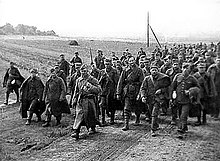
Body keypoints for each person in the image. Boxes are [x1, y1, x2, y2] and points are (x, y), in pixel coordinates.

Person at [71, 64, 102, 140]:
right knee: (79, 115)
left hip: (90, 101)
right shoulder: (78, 80)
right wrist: (74, 99)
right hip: (81, 101)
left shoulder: (93, 80)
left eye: (85, 71)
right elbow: (76, 91)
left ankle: (92, 127)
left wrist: (90, 87)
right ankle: (76, 131)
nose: (83, 73)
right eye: (82, 71)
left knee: (90, 115)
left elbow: (99, 90)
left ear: (88, 71)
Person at [140, 64, 171, 136]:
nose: (154, 71)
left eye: (155, 70)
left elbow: (167, 87)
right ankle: (156, 125)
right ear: (150, 71)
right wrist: (143, 96)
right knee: (151, 113)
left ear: (158, 71)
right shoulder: (147, 79)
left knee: (154, 114)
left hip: (157, 99)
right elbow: (143, 88)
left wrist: (161, 90)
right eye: (152, 70)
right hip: (149, 99)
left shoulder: (162, 79)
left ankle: (153, 129)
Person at [116, 56, 144, 131]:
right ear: (128, 62)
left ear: (135, 61)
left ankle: (137, 118)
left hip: (136, 90)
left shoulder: (139, 70)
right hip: (127, 91)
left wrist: (141, 93)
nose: (132, 62)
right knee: (126, 107)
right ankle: (126, 124)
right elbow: (120, 82)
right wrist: (118, 93)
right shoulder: (125, 70)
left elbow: (142, 83)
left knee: (137, 106)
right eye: (130, 61)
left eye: (133, 60)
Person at [171, 63, 199, 135]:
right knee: (180, 114)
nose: (185, 70)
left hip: (187, 100)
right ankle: (185, 127)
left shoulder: (192, 78)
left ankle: (181, 129)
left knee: (184, 115)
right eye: (184, 68)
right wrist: (172, 97)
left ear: (190, 69)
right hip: (178, 99)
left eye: (187, 68)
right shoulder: (177, 76)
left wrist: (190, 91)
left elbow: (198, 88)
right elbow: (173, 87)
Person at [98, 58, 119, 125]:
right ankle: (103, 120)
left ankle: (112, 119)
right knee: (102, 105)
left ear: (111, 64)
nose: (107, 66)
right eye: (105, 64)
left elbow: (117, 82)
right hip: (104, 91)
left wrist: (116, 92)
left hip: (111, 91)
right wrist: (102, 78)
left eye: (108, 64)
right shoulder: (102, 72)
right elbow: (98, 83)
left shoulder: (114, 71)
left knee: (112, 105)